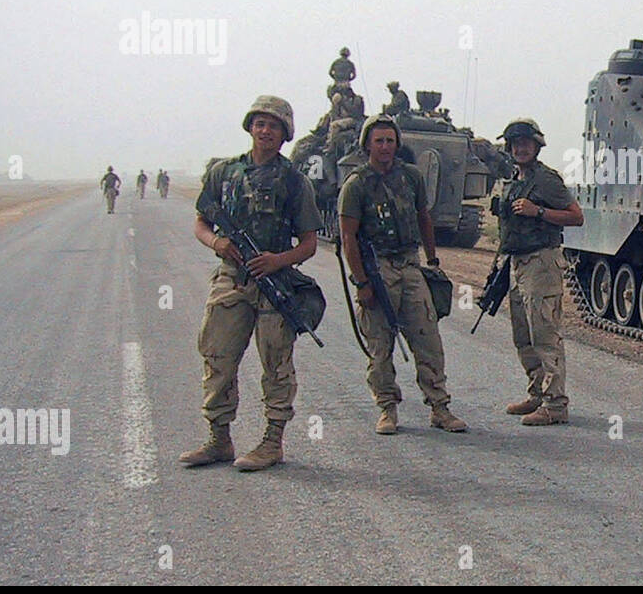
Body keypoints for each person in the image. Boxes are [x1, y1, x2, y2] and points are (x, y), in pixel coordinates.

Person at [180, 96, 322, 472]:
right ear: (250, 127)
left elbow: (309, 243)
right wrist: (218, 243)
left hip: (275, 281)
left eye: (274, 126)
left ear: (285, 134)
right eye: (260, 123)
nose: (266, 131)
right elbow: (200, 222)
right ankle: (219, 439)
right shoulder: (223, 173)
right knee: (218, 357)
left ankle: (272, 442)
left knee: (276, 362)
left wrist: (278, 260)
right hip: (231, 279)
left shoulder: (295, 183)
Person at [338, 114, 467, 435]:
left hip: (410, 265)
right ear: (367, 144)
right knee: (380, 345)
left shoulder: (411, 177)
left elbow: (424, 216)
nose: (384, 146)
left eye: (390, 141)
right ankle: (387, 408)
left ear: (397, 144)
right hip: (377, 267)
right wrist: (362, 282)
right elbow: (348, 238)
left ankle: (440, 407)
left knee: (428, 339)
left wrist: (433, 259)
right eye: (378, 140)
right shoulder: (356, 184)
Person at [496, 118, 584, 426]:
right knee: (524, 334)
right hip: (516, 263)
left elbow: (576, 217)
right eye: (515, 143)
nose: (520, 148)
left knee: (545, 334)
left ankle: (555, 403)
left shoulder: (547, 180)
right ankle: (536, 392)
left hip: (541, 263)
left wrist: (540, 212)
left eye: (526, 143)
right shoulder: (513, 180)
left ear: (537, 145)